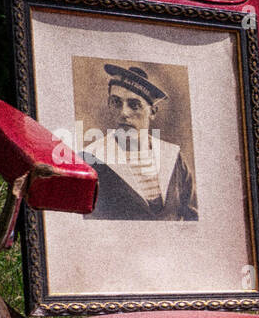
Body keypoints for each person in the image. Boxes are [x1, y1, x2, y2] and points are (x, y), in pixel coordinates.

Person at [85, 63, 198, 221]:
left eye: (134, 105)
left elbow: (192, 216)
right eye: (116, 102)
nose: (124, 113)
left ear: (152, 112)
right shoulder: (91, 159)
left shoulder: (173, 157)